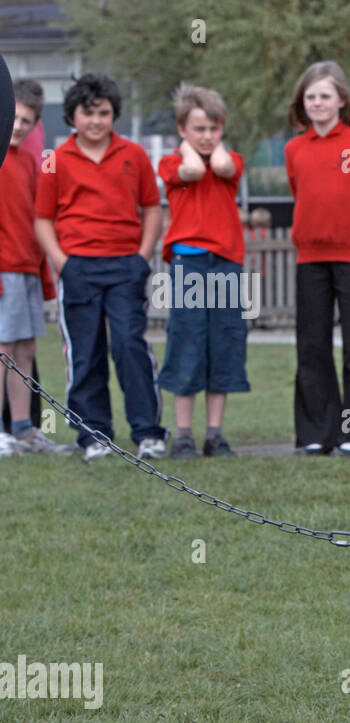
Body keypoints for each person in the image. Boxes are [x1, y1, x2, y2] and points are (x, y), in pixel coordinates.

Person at [34, 73, 166, 463]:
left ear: (114, 115)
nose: (96, 121)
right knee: (85, 352)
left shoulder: (135, 155)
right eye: (87, 113)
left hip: (126, 265)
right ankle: (94, 435)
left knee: (129, 346)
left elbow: (152, 208)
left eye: (104, 113)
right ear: (72, 117)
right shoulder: (55, 160)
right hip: (78, 269)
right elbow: (42, 219)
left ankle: (148, 432)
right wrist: (63, 263)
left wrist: (142, 256)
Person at [284, 60, 350, 456]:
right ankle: (315, 433)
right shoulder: (294, 149)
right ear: (302, 102)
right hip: (310, 258)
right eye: (311, 96)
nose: (318, 103)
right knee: (312, 346)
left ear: (341, 98)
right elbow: (301, 195)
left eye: (325, 95)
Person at [155, 83, 250, 459]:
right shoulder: (173, 164)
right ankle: (182, 434)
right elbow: (193, 169)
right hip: (189, 262)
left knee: (224, 342)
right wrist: (188, 147)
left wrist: (214, 142)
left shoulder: (231, 163)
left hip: (226, 262)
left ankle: (214, 433)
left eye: (214, 128)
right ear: (182, 130)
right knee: (187, 341)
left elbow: (223, 165)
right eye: (199, 128)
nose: (207, 136)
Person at [1, 78, 64, 455]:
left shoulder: (35, 161)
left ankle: (24, 428)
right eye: (14, 117)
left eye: (27, 120)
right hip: (3, 266)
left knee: (24, 349)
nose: (19, 126)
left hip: (26, 267)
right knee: (3, 347)